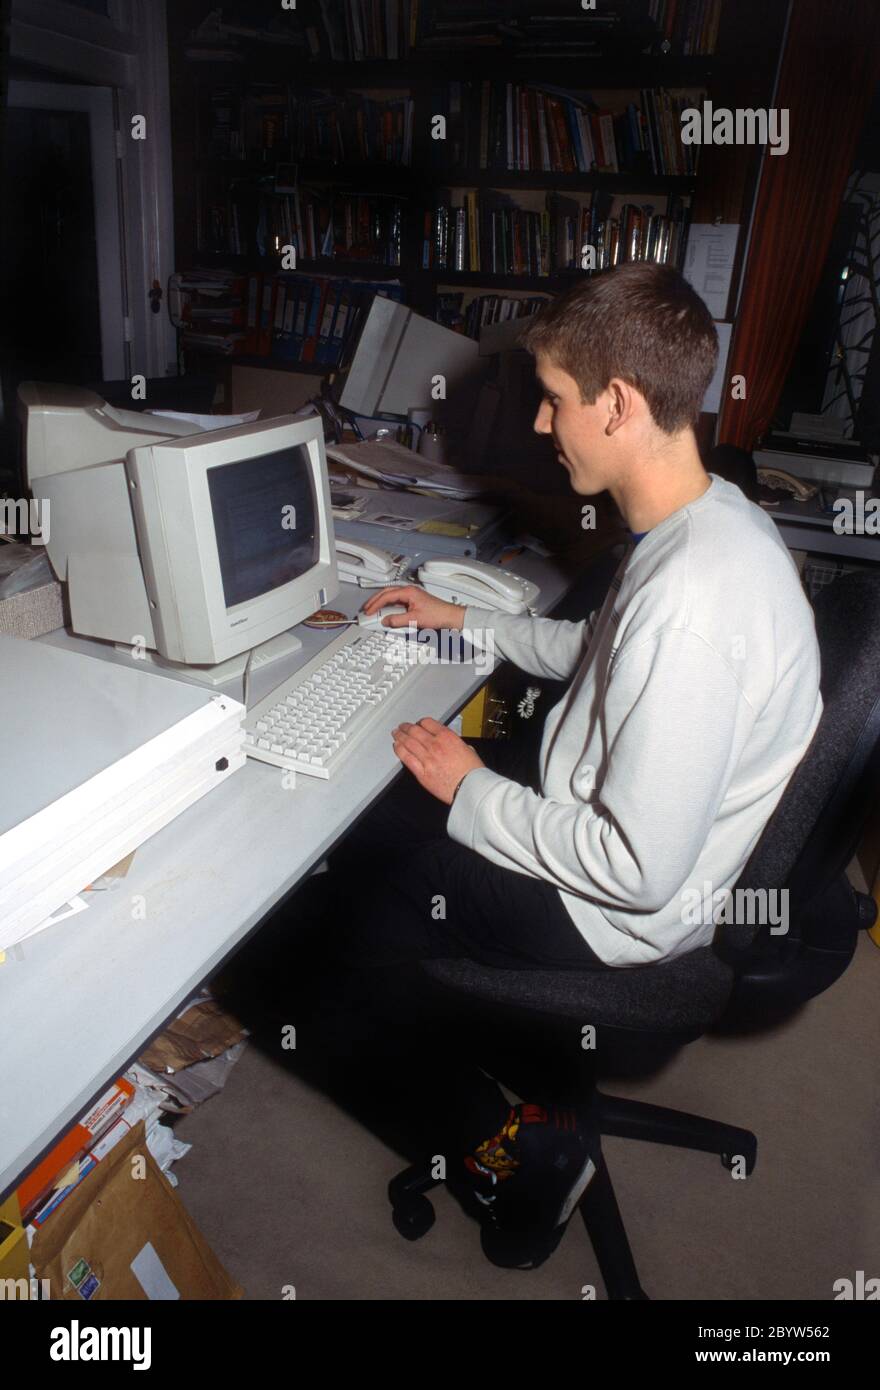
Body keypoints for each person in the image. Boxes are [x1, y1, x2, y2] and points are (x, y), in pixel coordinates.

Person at [268, 262, 824, 1266]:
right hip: (624, 850)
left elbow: (635, 866)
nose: (539, 425)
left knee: (308, 905)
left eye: (555, 401)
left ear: (616, 404)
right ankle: (479, 1050)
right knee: (381, 823)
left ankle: (509, 1149)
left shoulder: (693, 603)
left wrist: (470, 790)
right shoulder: (711, 519)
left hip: (611, 908)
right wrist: (468, 621)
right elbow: (599, 654)